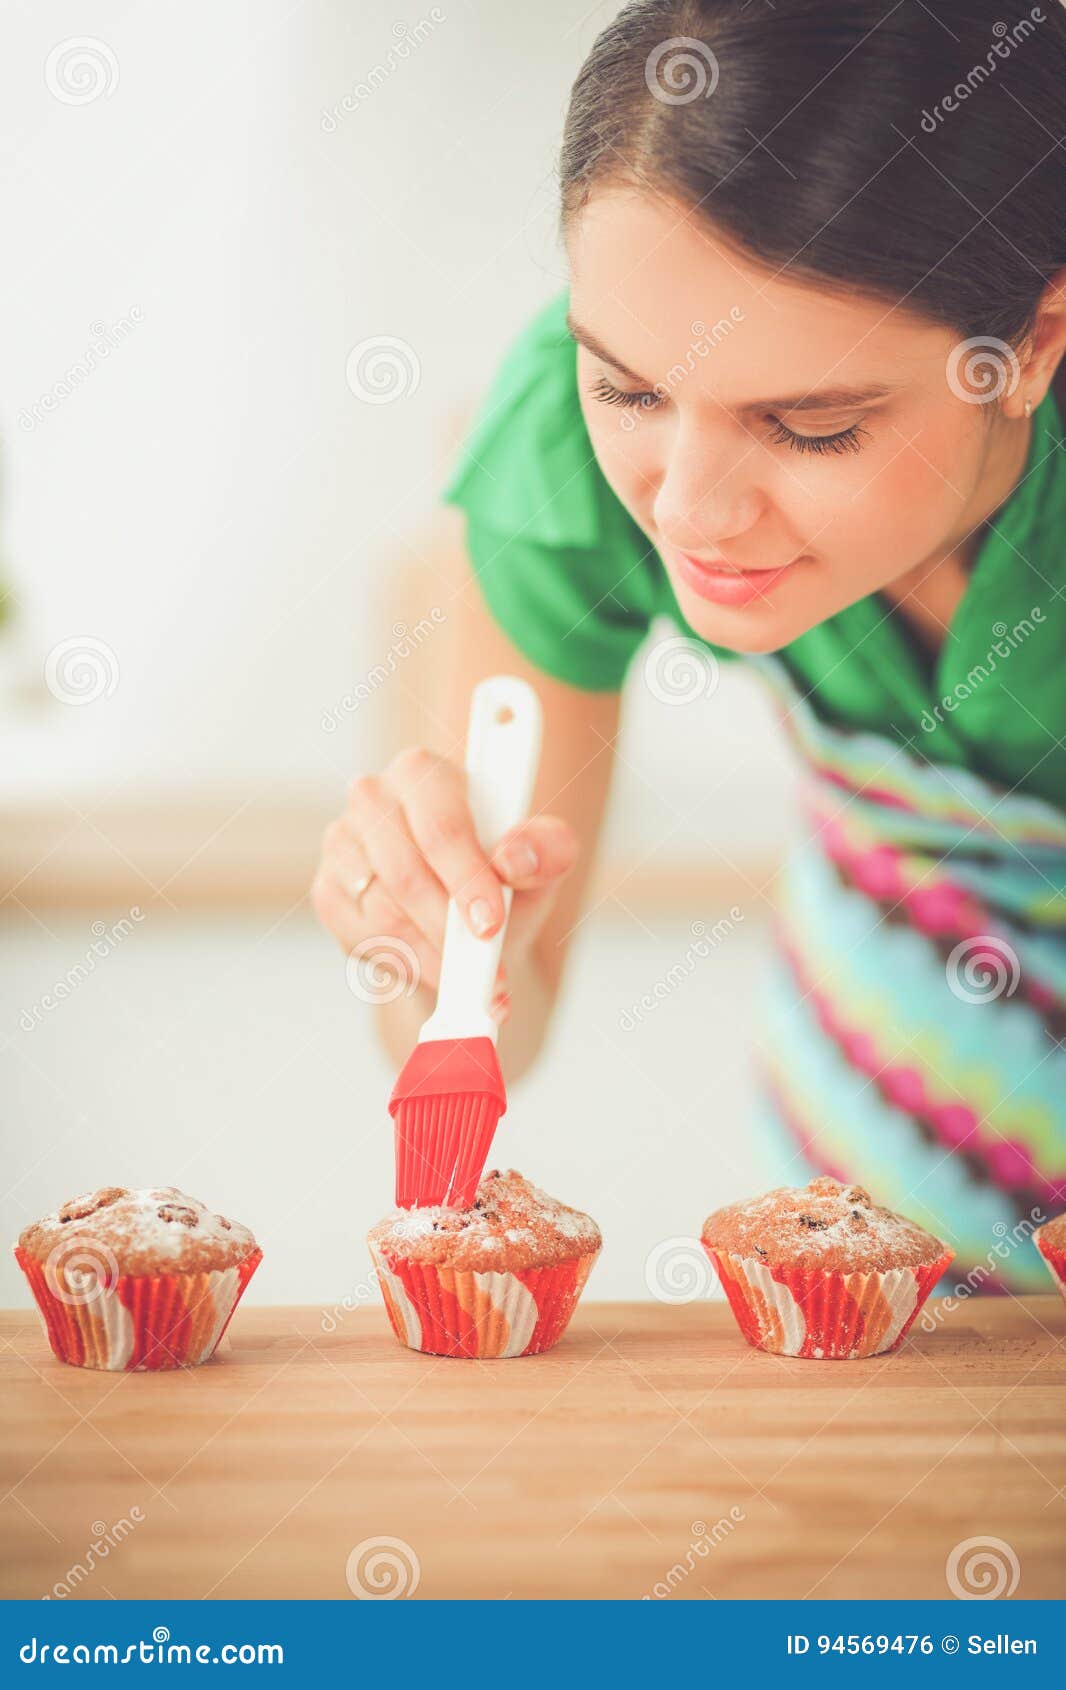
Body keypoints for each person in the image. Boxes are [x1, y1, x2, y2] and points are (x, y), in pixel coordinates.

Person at [313, 0, 1066, 1290]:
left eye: (811, 426)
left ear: (1032, 343)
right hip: (862, 1199)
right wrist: (443, 948)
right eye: (630, 388)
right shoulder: (561, 445)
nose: (689, 512)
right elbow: (491, 1031)